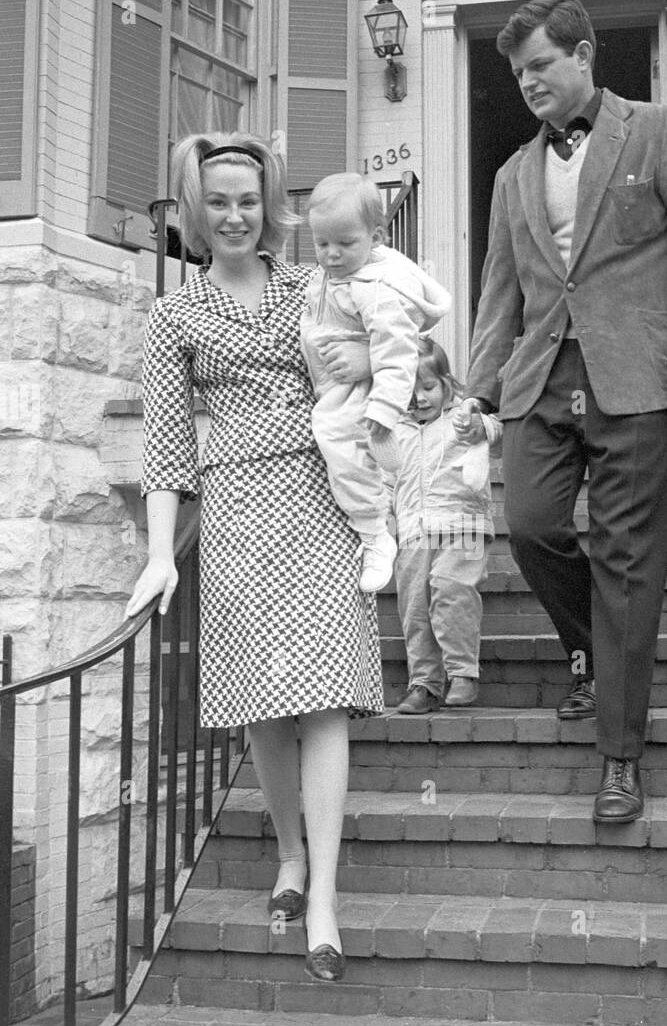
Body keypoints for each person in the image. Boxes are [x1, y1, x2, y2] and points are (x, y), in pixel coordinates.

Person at [457, 0, 667, 824]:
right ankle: (592, 649)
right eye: (516, 73)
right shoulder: (513, 172)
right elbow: (499, 291)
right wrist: (479, 389)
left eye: (540, 65)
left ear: (583, 57)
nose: (526, 83)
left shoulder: (660, 128)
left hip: (641, 377)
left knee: (626, 563)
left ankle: (619, 756)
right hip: (542, 378)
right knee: (532, 525)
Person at [125, 133, 385, 983]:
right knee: (266, 705)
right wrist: (161, 555)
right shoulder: (174, 315)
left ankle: (325, 900)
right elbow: (166, 448)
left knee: (328, 699)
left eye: (248, 198)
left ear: (267, 203)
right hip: (236, 508)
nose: (235, 214)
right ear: (195, 210)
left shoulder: (315, 285)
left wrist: (371, 364)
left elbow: (391, 349)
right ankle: (288, 855)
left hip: (318, 499)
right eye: (219, 200)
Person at [301, 172, 451, 592]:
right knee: (349, 456)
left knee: (341, 449)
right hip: (334, 383)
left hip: (360, 393)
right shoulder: (340, 273)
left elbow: (397, 351)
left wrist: (384, 410)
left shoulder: (377, 288)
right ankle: (384, 500)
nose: (331, 254)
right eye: (321, 244)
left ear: (377, 235)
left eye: (345, 243)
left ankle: (374, 535)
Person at [389, 340, 502, 713]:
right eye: (409, 389)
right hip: (413, 531)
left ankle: (462, 673)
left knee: (452, 588)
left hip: (465, 524)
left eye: (427, 387)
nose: (418, 398)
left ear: (446, 384)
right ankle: (424, 683)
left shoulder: (461, 418)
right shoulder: (392, 432)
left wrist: (481, 425)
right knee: (415, 606)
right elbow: (384, 480)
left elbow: (498, 433)